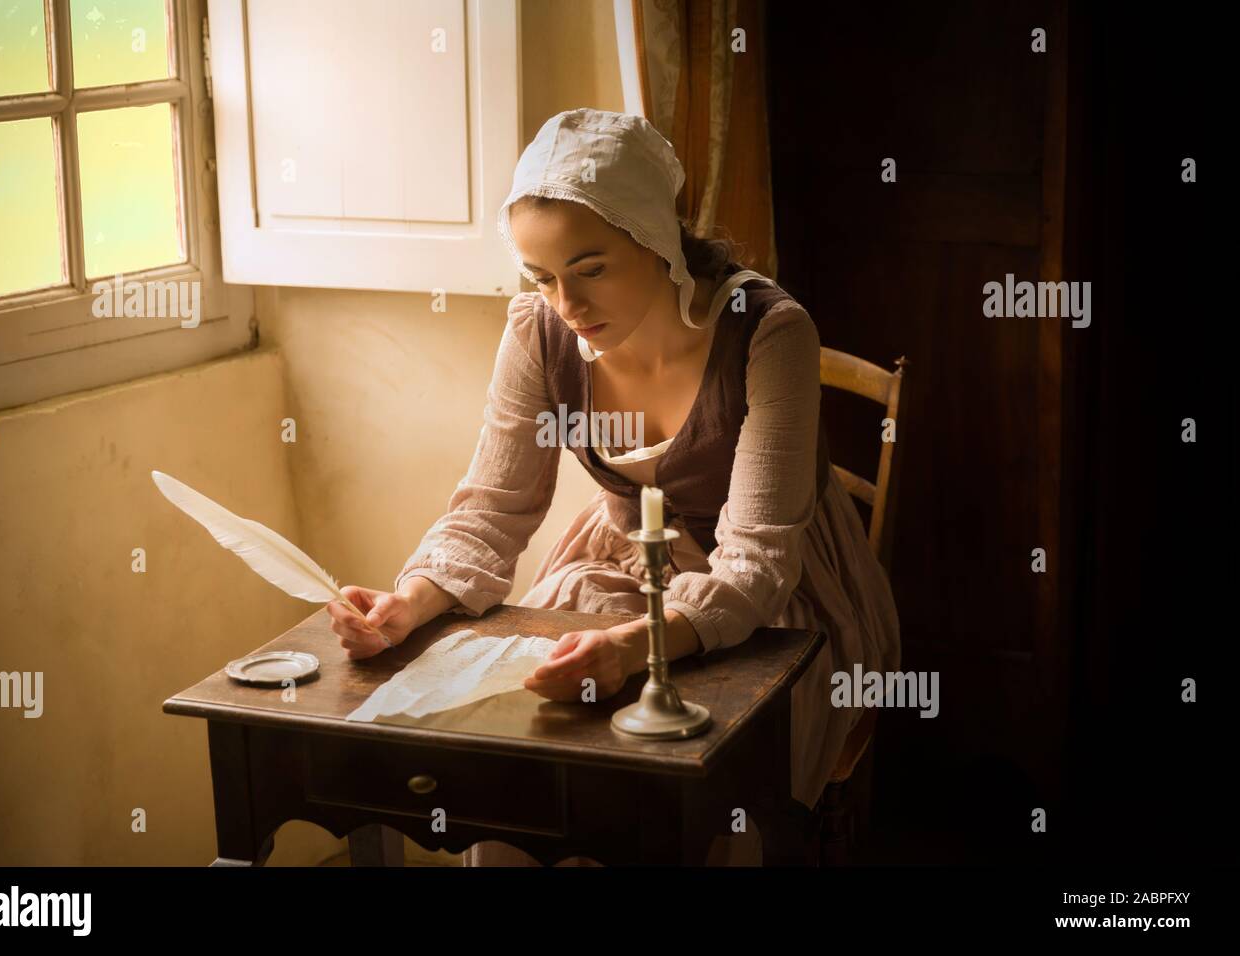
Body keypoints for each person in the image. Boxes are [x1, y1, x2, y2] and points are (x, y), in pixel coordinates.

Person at [325, 108, 900, 866]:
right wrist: (415, 599)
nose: (568, 305)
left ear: (658, 238)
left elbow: (758, 560)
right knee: (526, 757)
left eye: (591, 268)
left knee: (695, 781)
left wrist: (634, 648)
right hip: (625, 561)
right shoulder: (539, 330)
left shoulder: (767, 332)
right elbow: (492, 509)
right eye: (543, 277)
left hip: (782, 598)